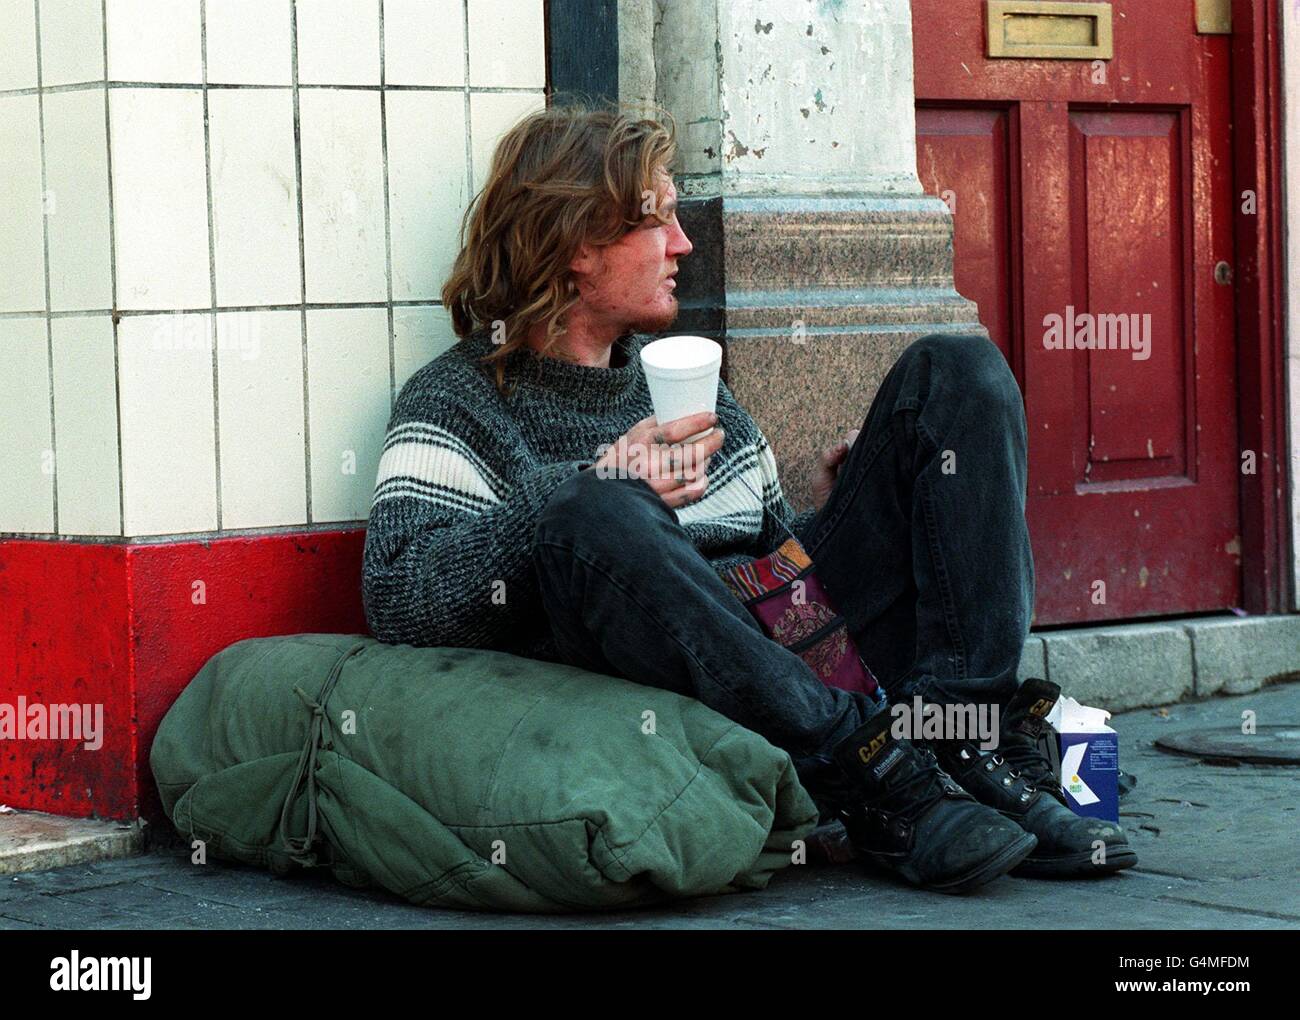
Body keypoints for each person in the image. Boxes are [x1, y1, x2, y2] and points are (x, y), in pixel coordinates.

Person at [361, 104, 1136, 895]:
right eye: (657, 220)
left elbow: (768, 574)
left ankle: (963, 739)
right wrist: (592, 480)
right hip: (664, 671)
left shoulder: (683, 382)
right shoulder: (456, 401)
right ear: (576, 248)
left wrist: (858, 510)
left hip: (783, 651)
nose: (683, 244)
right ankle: (878, 776)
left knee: (957, 375)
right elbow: (399, 600)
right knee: (597, 509)